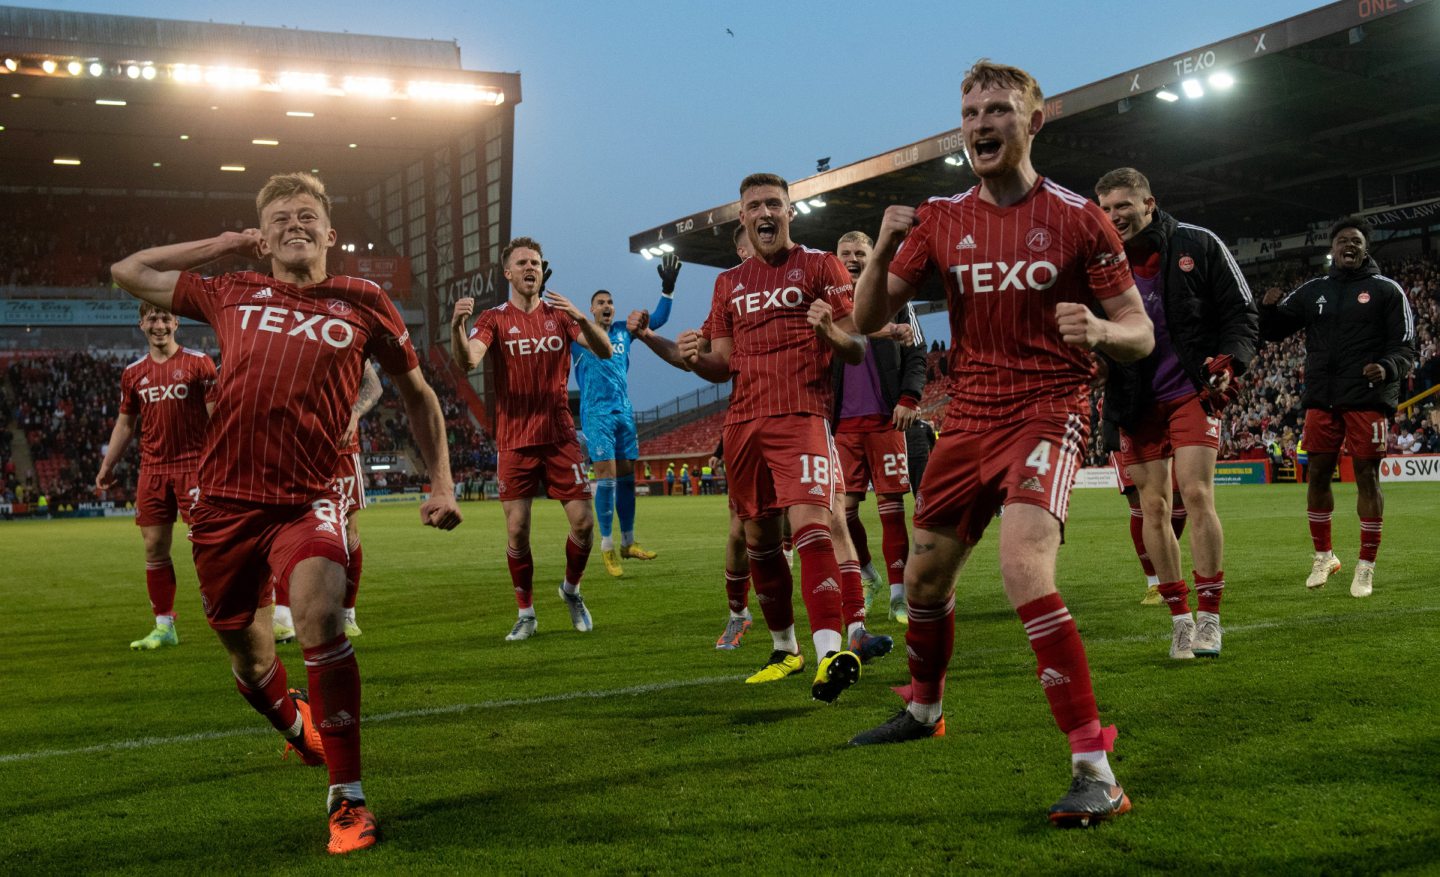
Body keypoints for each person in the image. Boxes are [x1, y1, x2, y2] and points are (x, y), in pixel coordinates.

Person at [111, 171, 462, 854]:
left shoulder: (365, 301)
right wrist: (223, 242)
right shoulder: (230, 290)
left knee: (320, 617)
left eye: (306, 215)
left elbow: (418, 394)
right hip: (225, 504)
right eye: (279, 218)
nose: (294, 224)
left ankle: (347, 798)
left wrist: (441, 483)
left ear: (330, 233)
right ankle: (300, 729)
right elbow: (130, 270)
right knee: (247, 656)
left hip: (311, 494)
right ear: (263, 237)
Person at [847, 61, 1154, 828]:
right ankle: (924, 709)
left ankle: (1095, 768)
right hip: (969, 415)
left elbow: (1140, 332)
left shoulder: (1081, 219)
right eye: (971, 111)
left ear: (1033, 121)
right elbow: (865, 319)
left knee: (1022, 566)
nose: (981, 122)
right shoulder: (941, 218)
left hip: (1049, 409)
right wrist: (882, 250)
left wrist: (1102, 329)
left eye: (998, 109)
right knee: (923, 579)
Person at [676, 172, 870, 702]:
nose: (765, 213)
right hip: (742, 423)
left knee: (812, 526)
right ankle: (786, 650)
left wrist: (830, 331)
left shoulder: (821, 265)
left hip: (801, 414)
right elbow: (721, 364)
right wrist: (693, 360)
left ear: (790, 211)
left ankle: (830, 653)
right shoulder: (728, 283)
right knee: (759, 541)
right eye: (755, 206)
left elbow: (856, 346)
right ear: (742, 217)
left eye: (774, 204)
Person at [1094, 167, 1257, 658]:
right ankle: (1180, 620)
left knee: (1198, 493)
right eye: (1105, 208)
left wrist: (1232, 361)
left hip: (1190, 390)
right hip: (1134, 398)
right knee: (1154, 507)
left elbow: (1242, 312)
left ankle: (1210, 618)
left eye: (1123, 205)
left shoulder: (1198, 243)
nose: (1114, 216)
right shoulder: (1097, 261)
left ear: (1149, 203)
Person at [450, 237, 612, 640]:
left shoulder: (561, 316)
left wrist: (581, 316)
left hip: (559, 435)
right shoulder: (494, 318)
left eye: (536, 263)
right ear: (508, 273)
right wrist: (456, 328)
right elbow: (469, 359)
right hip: (515, 439)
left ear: (542, 270)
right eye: (522, 263)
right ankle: (526, 614)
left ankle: (571, 590)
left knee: (584, 524)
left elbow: (605, 351)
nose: (530, 268)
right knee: (517, 530)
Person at [1260, 216, 1416, 597]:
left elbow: (1406, 346)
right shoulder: (1315, 290)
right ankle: (1324, 556)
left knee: (1366, 477)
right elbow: (1274, 330)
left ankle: (1366, 565)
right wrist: (1267, 309)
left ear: (1366, 248)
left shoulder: (1387, 290)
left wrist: (1387, 367)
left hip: (1367, 397)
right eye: (1343, 240)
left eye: (1356, 241)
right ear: (1332, 248)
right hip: (1322, 398)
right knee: (1316, 474)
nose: (1350, 245)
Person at [96, 302, 217, 651]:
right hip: (152, 469)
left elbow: (217, 416)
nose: (159, 325)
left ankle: (226, 615)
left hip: (195, 466)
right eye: (152, 319)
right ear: (141, 325)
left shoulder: (200, 363)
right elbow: (125, 424)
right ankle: (164, 626)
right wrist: (107, 465)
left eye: (165, 318)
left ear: (176, 322)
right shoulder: (133, 373)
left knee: (209, 546)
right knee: (154, 547)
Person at [830, 230, 928, 625]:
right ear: (836, 257)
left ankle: (899, 597)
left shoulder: (896, 298)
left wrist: (909, 397)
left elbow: (917, 352)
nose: (852, 259)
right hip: (841, 424)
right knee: (842, 513)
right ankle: (868, 575)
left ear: (873, 257)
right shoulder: (827, 300)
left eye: (860, 253)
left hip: (886, 419)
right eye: (846, 253)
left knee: (891, 510)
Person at [573, 266, 675, 577]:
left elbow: (657, 320)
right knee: (606, 477)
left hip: (623, 412)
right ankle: (606, 546)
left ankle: (628, 542)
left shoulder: (622, 331)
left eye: (610, 302)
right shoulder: (577, 337)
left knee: (628, 476)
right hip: (596, 414)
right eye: (601, 302)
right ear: (592, 309)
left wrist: (667, 289)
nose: (607, 306)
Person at [273, 362, 383, 643]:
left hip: (342, 447)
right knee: (288, 525)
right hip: (297, 445)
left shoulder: (347, 337)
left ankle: (347, 613)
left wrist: (354, 414)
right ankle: (283, 615)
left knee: (348, 530)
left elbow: (374, 385)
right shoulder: (291, 339)